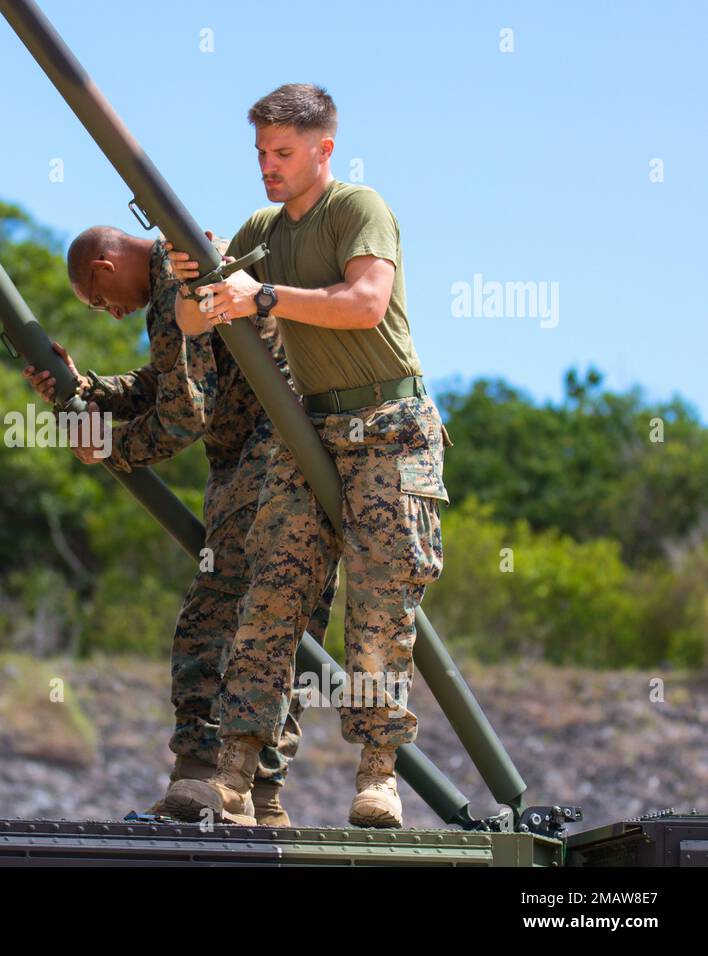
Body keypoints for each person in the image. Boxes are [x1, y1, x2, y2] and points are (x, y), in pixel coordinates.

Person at [164, 84, 450, 828]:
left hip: (388, 424)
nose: (268, 166)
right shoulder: (259, 227)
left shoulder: (358, 208)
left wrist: (260, 297)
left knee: (380, 611)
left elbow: (364, 304)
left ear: (324, 149)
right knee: (271, 599)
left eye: (283, 153)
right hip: (308, 430)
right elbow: (200, 317)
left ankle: (378, 774)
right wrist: (193, 279)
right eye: (260, 153)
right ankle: (233, 772)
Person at [22, 225, 332, 824]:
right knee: (280, 630)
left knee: (214, 619)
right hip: (277, 458)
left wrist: (108, 447)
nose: (110, 315)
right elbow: (165, 383)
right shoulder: (177, 277)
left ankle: (202, 775)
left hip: (272, 459)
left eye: (99, 299)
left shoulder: (177, 278)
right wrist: (85, 391)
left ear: (106, 266)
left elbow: (184, 413)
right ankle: (259, 796)